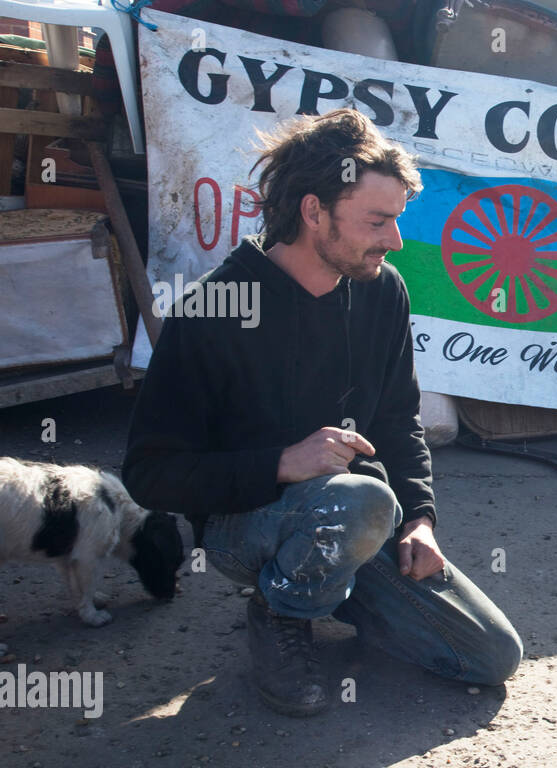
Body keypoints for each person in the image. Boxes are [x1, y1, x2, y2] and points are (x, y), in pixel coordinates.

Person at [123, 109, 522, 716]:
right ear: (314, 212)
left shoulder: (382, 289)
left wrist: (419, 520)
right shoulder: (215, 310)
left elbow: (396, 419)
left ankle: (337, 583)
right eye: (378, 221)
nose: (394, 241)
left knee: (491, 655)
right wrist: (283, 463)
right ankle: (281, 611)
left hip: (358, 519)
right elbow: (149, 473)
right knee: (361, 501)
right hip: (244, 525)